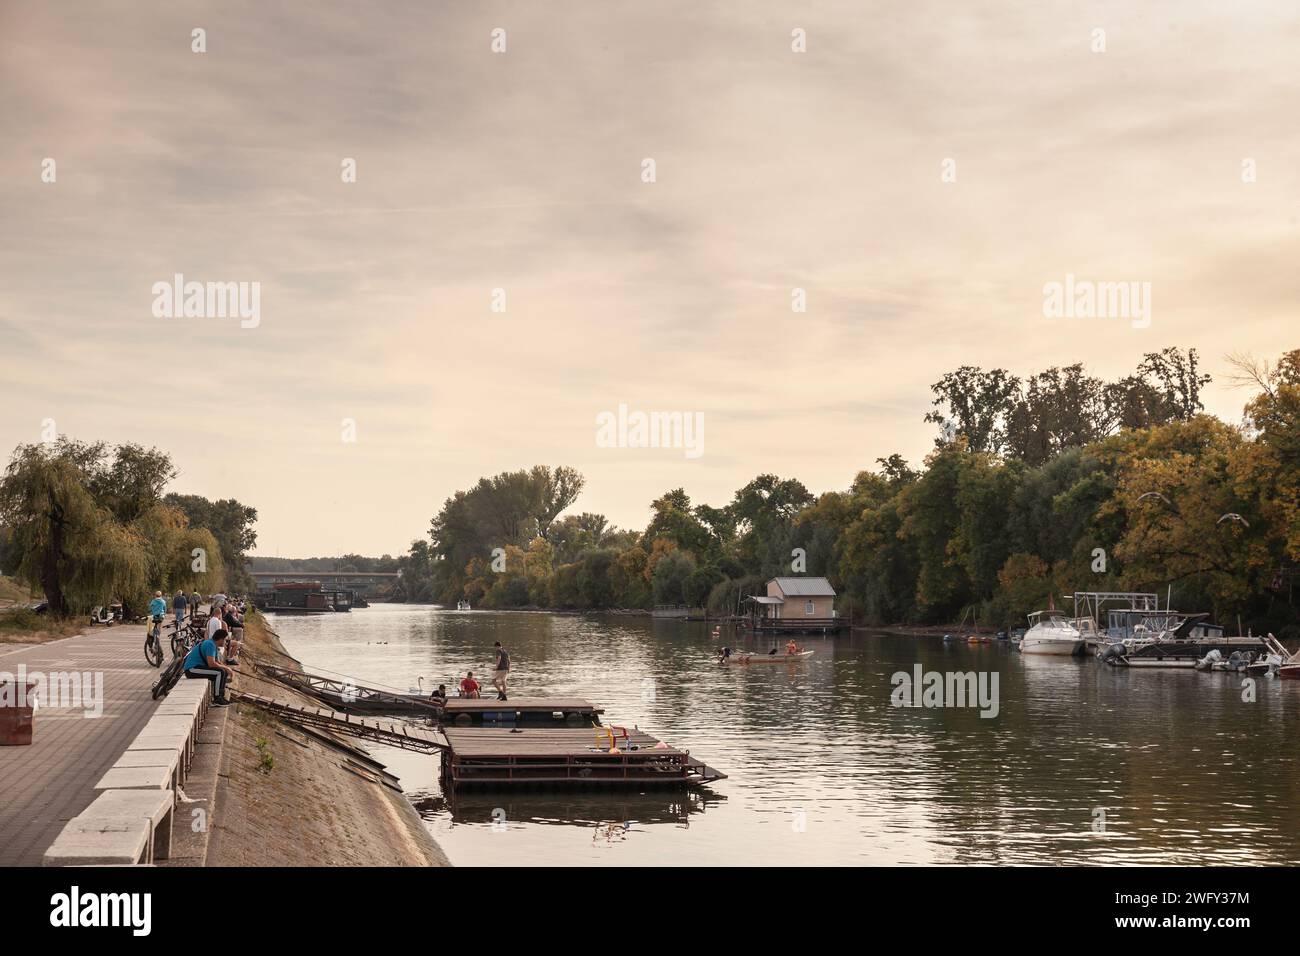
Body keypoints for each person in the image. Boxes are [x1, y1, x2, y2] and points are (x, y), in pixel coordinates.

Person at [183, 628, 233, 705]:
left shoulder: (213, 644)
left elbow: (217, 662)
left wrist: (227, 669)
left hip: (197, 668)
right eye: (225, 640)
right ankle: (217, 698)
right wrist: (226, 668)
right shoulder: (210, 644)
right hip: (191, 669)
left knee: (223, 672)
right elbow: (211, 664)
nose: (226, 643)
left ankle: (221, 696)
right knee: (219, 673)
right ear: (220, 639)